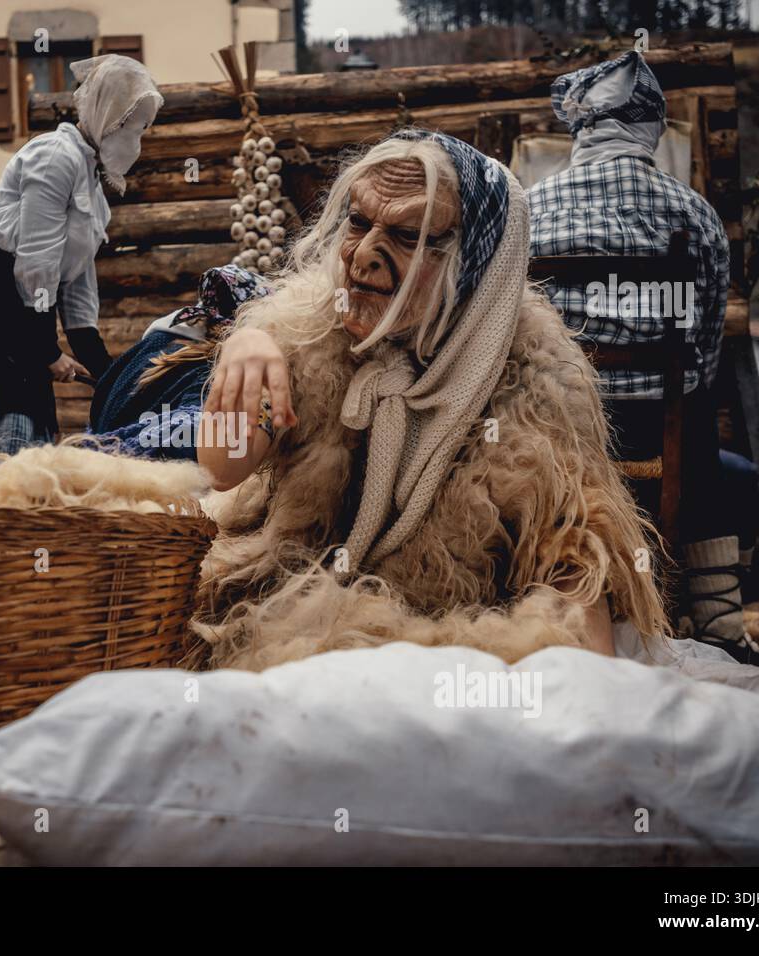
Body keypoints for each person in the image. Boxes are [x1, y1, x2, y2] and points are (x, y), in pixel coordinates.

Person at [191, 129, 668, 670]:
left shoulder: (533, 384)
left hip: (432, 637)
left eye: (408, 235)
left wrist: (579, 681)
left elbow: (575, 565)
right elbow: (224, 469)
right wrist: (247, 350)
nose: (365, 255)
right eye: (358, 221)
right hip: (283, 606)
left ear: (472, 265)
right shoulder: (308, 331)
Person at [527, 51, 741, 650]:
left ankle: (555, 591)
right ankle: (719, 613)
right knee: (694, 399)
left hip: (560, 427)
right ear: (650, 127)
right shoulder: (692, 212)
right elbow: (706, 342)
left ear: (580, 128)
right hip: (658, 427)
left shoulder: (532, 208)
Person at [0, 55, 162, 451]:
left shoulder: (95, 194)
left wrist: (110, 376)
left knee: (27, 428)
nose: (137, 140)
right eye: (132, 127)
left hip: (24, 304)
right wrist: (47, 352)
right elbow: (36, 262)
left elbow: (77, 289)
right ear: (108, 117)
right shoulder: (54, 157)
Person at [88, 264, 270, 458]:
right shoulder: (208, 371)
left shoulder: (147, 347)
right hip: (142, 481)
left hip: (93, 468)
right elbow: (194, 443)